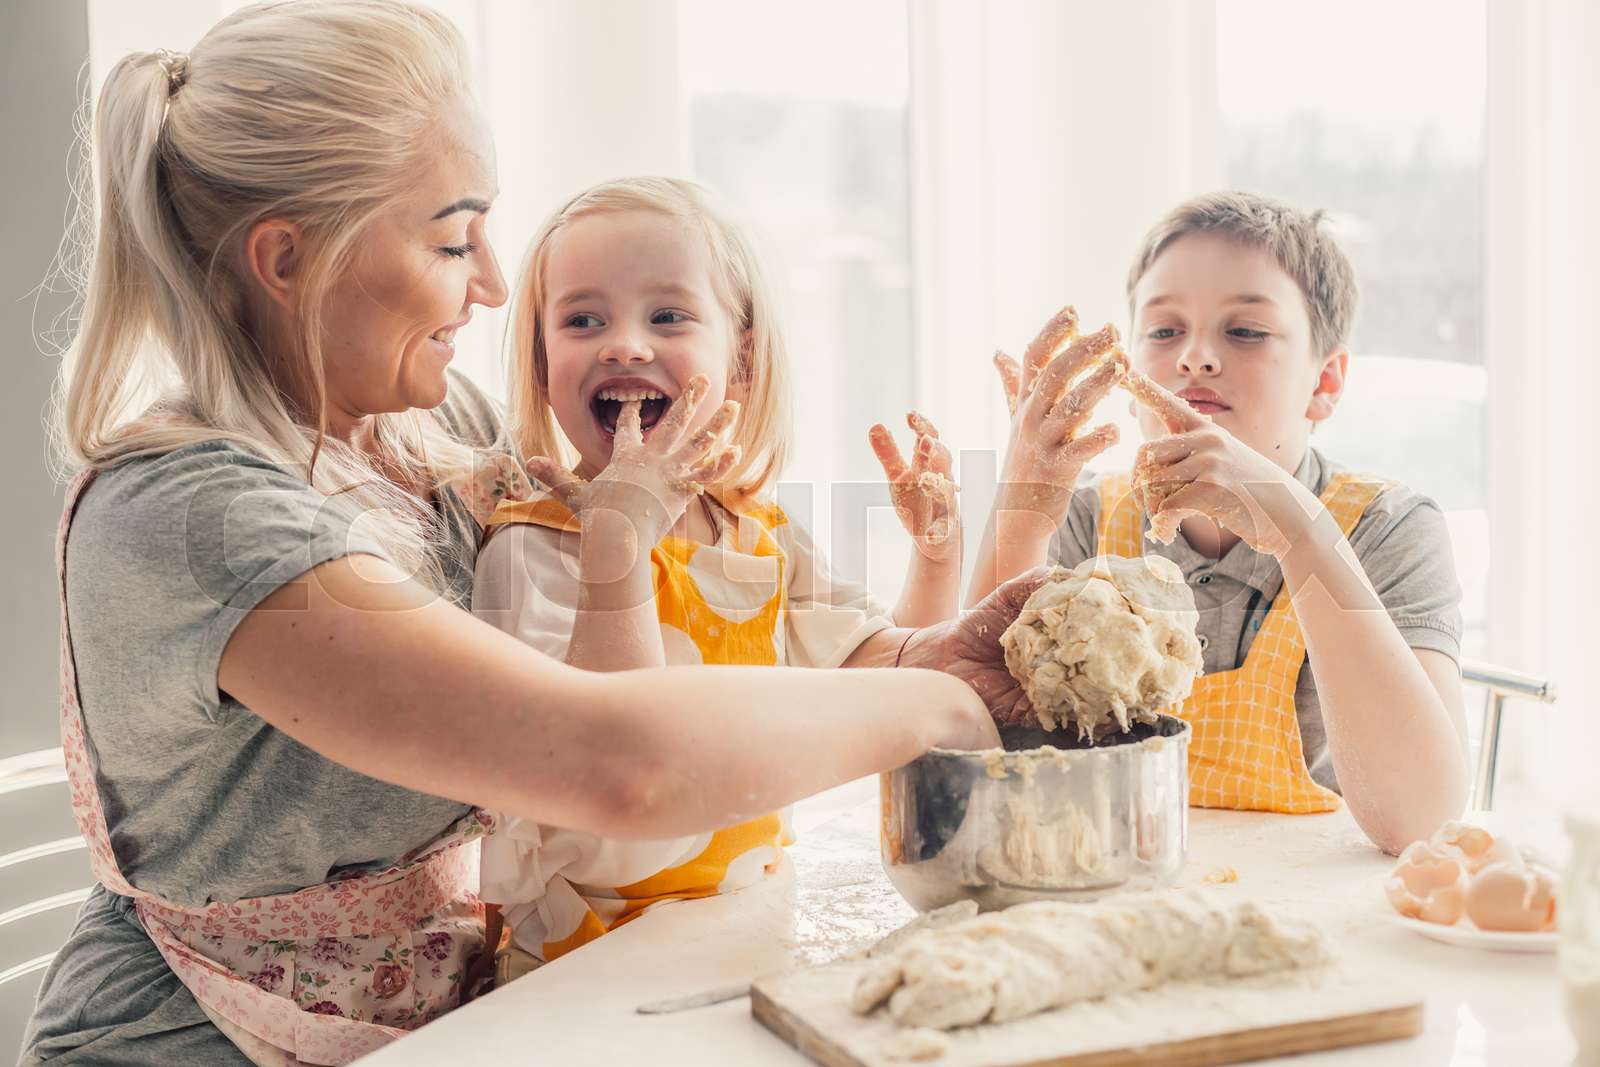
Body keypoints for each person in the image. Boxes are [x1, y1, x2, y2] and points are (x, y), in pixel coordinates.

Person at [21, 5, 1034, 1064]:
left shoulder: (427, 424)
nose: (498, 286)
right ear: (287, 259)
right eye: (453, 238)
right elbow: (616, 764)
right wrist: (953, 698)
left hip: (456, 1016)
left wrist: (935, 616)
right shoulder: (193, 516)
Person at [468, 177, 967, 974]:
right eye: (582, 319)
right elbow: (610, 769)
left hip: (743, 928)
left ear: (741, 358)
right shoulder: (532, 545)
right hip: (580, 961)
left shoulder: (759, 530)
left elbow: (882, 679)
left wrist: (936, 560)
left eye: (666, 316)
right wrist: (618, 546)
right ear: (540, 364)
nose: (624, 344)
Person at [966, 191, 1469, 854]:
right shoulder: (1085, 520)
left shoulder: (1388, 529)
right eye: (1165, 331)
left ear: (1326, 381)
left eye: (1245, 331)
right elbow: (970, 755)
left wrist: (1296, 525)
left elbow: (1421, 821)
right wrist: (1022, 506)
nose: (1195, 358)